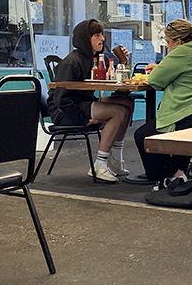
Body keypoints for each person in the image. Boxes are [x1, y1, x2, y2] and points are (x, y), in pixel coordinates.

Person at [134, 19, 192, 192]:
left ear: (179, 41)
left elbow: (155, 80)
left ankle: (174, 176)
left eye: (168, 43)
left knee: (144, 136)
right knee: (163, 131)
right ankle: (180, 172)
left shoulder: (183, 52)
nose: (168, 47)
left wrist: (159, 68)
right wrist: (162, 67)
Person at [48, 19, 134, 183]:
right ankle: (99, 165)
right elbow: (60, 99)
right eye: (97, 35)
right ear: (85, 38)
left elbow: (111, 80)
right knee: (119, 111)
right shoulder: (72, 62)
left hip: (81, 105)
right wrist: (83, 119)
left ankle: (115, 161)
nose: (102, 38)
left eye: (102, 34)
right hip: (64, 113)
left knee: (127, 103)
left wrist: (121, 61)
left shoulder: (92, 58)